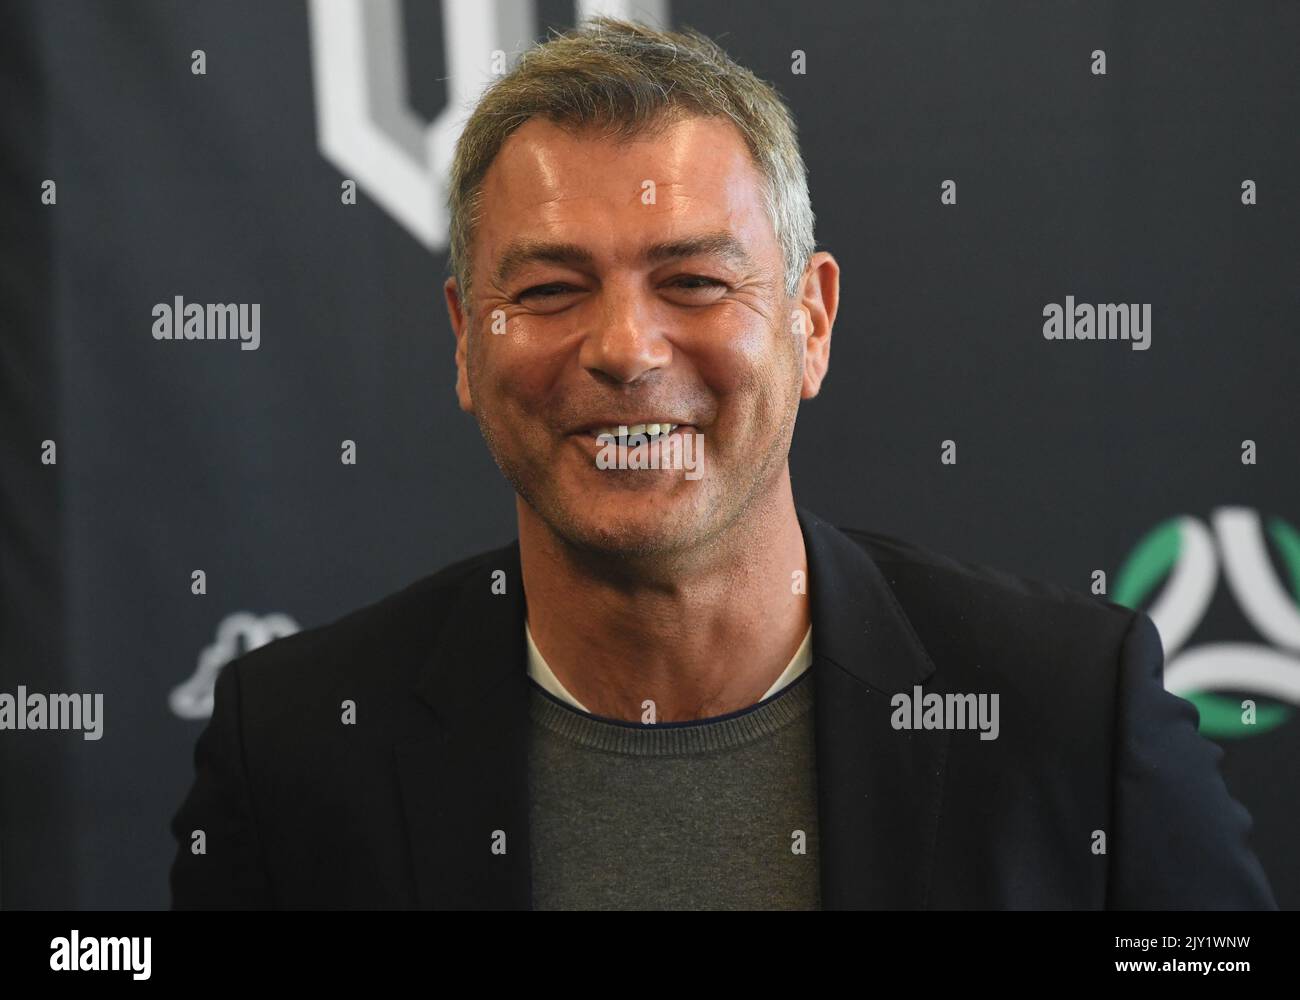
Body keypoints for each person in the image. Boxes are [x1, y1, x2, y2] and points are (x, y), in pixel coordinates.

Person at [169, 16, 1276, 910]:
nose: (624, 350)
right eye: (550, 289)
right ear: (465, 339)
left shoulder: (1069, 713)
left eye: (694, 281)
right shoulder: (297, 752)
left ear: (812, 320)